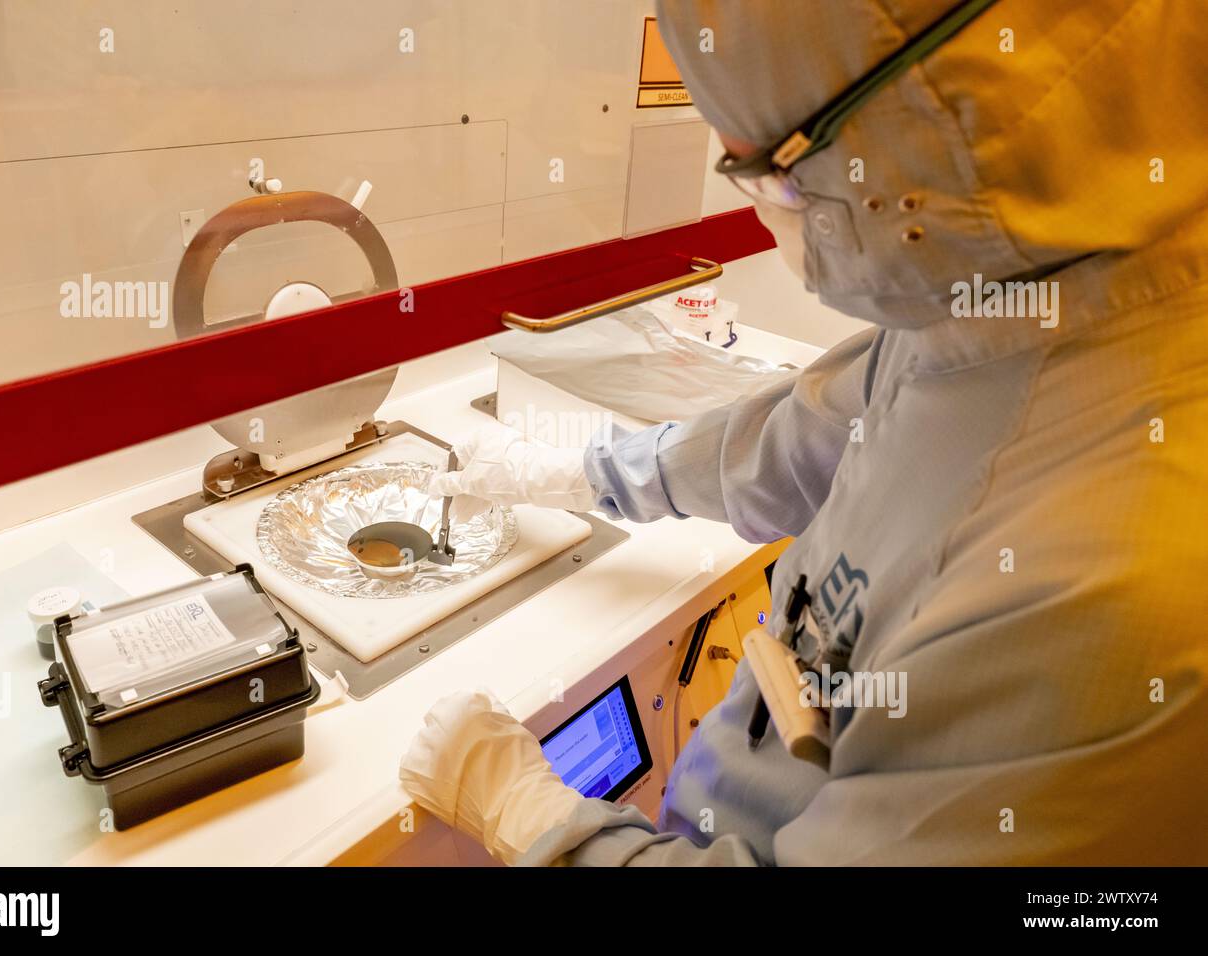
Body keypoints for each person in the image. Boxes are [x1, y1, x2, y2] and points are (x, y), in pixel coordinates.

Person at [398, 0, 1208, 865]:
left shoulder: (1113, 592)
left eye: (772, 183)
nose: (758, 216)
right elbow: (810, 434)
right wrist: (585, 470)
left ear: (902, 147)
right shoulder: (1013, 294)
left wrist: (530, 817)